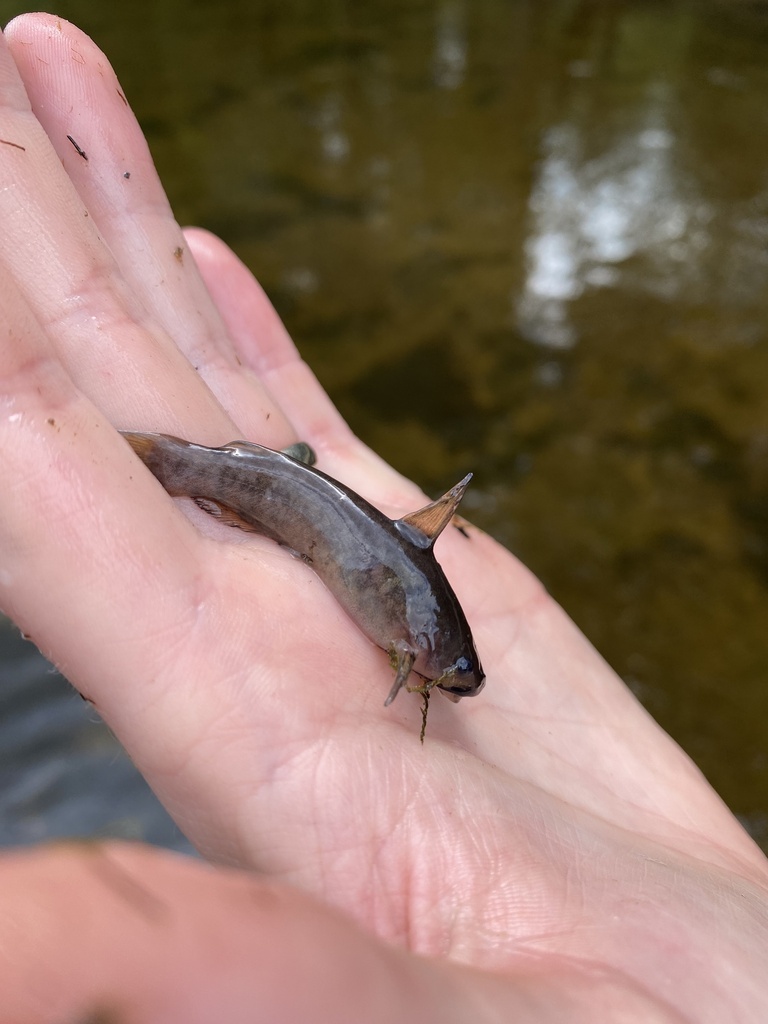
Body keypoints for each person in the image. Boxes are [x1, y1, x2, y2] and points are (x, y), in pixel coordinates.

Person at [0, 13, 765, 1023]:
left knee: (215, 473)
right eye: (444, 668)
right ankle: (160, 462)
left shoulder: (423, 643)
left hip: (291, 496)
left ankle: (166, 463)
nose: (445, 678)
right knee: (201, 471)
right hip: (270, 486)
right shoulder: (415, 630)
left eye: (445, 670)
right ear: (420, 648)